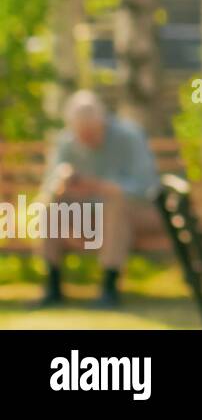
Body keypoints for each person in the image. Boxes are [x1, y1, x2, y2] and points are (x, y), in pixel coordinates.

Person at [35, 90, 160, 308]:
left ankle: (109, 287)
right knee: (52, 206)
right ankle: (52, 284)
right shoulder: (66, 142)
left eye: (91, 132)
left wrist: (103, 187)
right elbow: (49, 185)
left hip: (139, 214)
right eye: (81, 134)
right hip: (91, 220)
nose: (87, 139)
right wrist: (62, 183)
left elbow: (147, 185)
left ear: (103, 121)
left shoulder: (129, 136)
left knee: (114, 204)